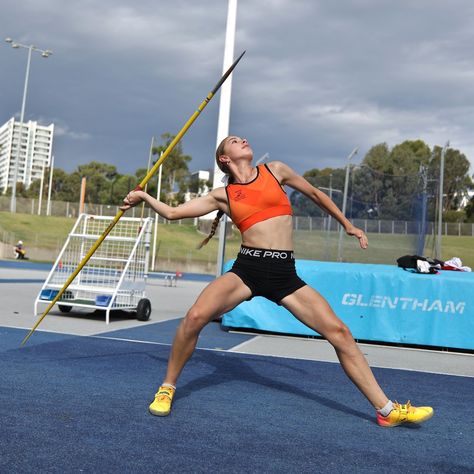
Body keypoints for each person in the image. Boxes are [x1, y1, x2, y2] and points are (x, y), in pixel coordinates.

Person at [121, 136, 434, 427]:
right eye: (234, 141)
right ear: (225, 159)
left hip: (284, 273)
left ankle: (387, 411)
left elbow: (315, 194)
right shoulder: (224, 195)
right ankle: (167, 387)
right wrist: (145, 197)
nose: (242, 140)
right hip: (248, 268)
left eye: (241, 138)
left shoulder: (276, 170)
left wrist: (348, 225)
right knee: (194, 318)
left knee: (340, 332)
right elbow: (175, 213)